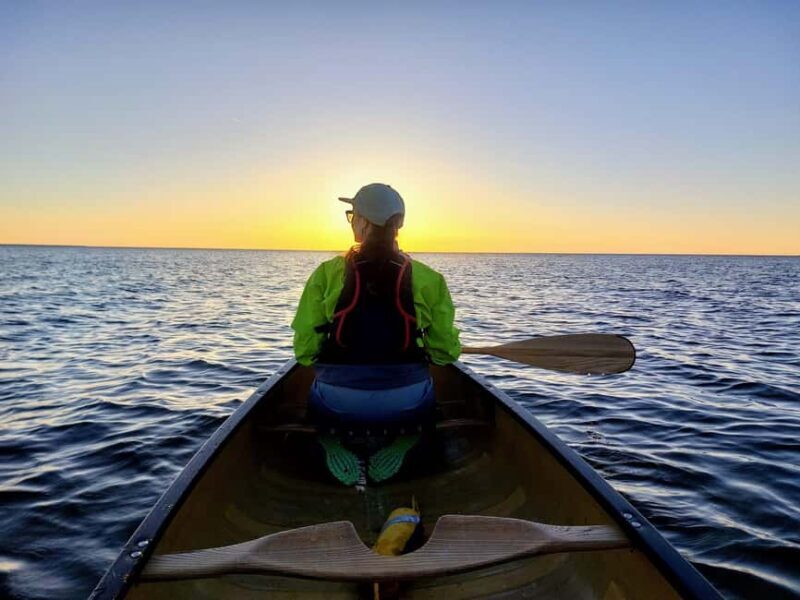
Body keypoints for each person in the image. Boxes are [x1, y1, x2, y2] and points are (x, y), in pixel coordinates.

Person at [291, 183, 460, 484]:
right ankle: (407, 438)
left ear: (364, 222)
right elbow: (444, 353)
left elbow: (304, 353)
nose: (352, 220)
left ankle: (330, 439)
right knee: (429, 397)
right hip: (407, 401)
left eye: (352, 214)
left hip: (336, 402)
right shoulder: (430, 279)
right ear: (398, 225)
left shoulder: (326, 274)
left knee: (316, 397)